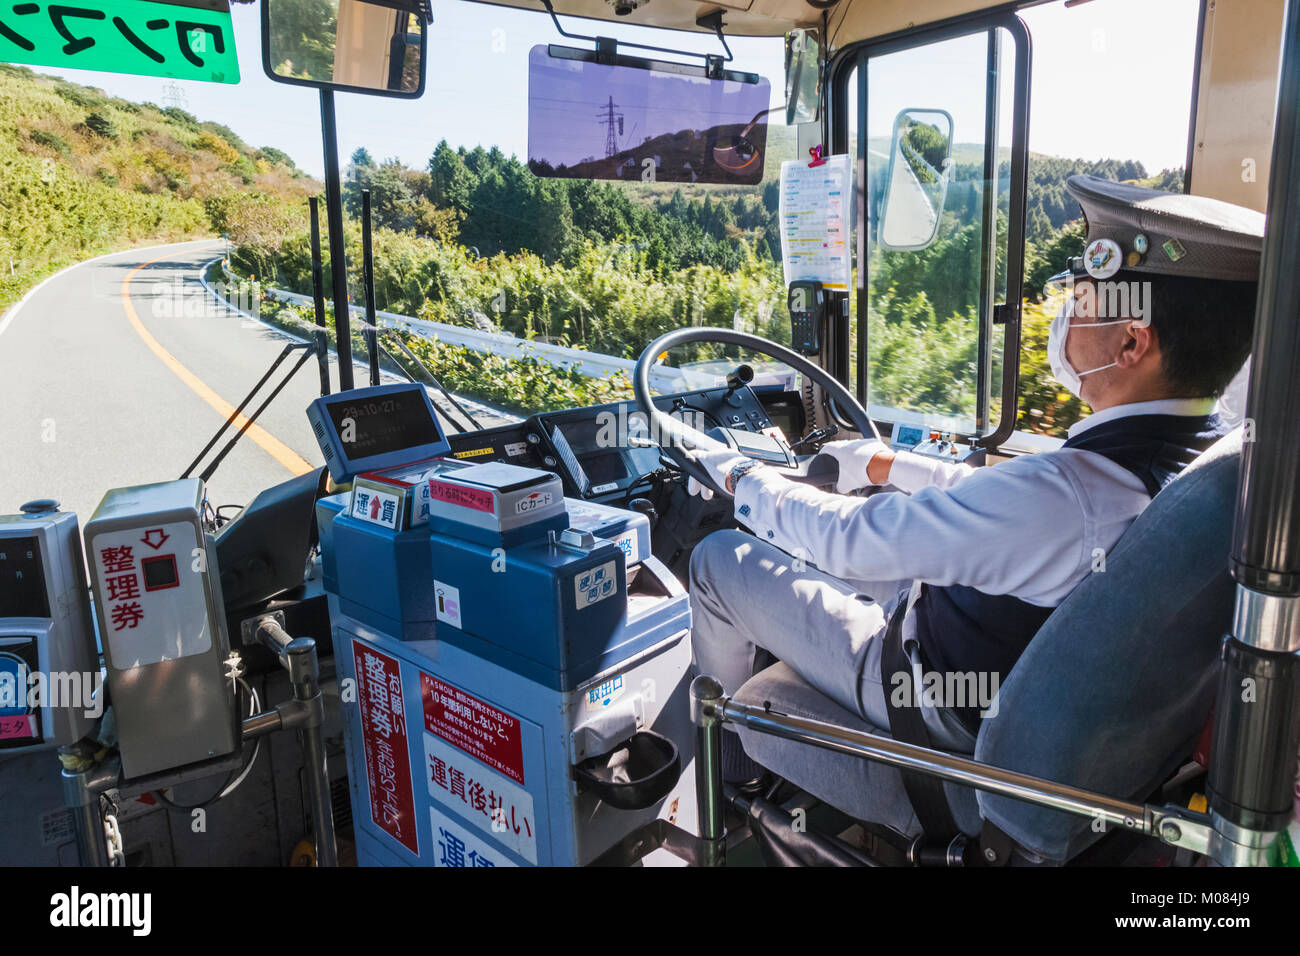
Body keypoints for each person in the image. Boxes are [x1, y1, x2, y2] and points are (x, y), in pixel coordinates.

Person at [681, 174, 1264, 785]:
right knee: (827, 529)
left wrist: (743, 476)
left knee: (719, 558)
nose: (1065, 310)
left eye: (1083, 301)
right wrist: (887, 464)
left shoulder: (1071, 495)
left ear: (1130, 342)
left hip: (927, 693)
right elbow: (1003, 511)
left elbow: (847, 538)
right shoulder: (1196, 455)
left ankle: (722, 774)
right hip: (1004, 667)